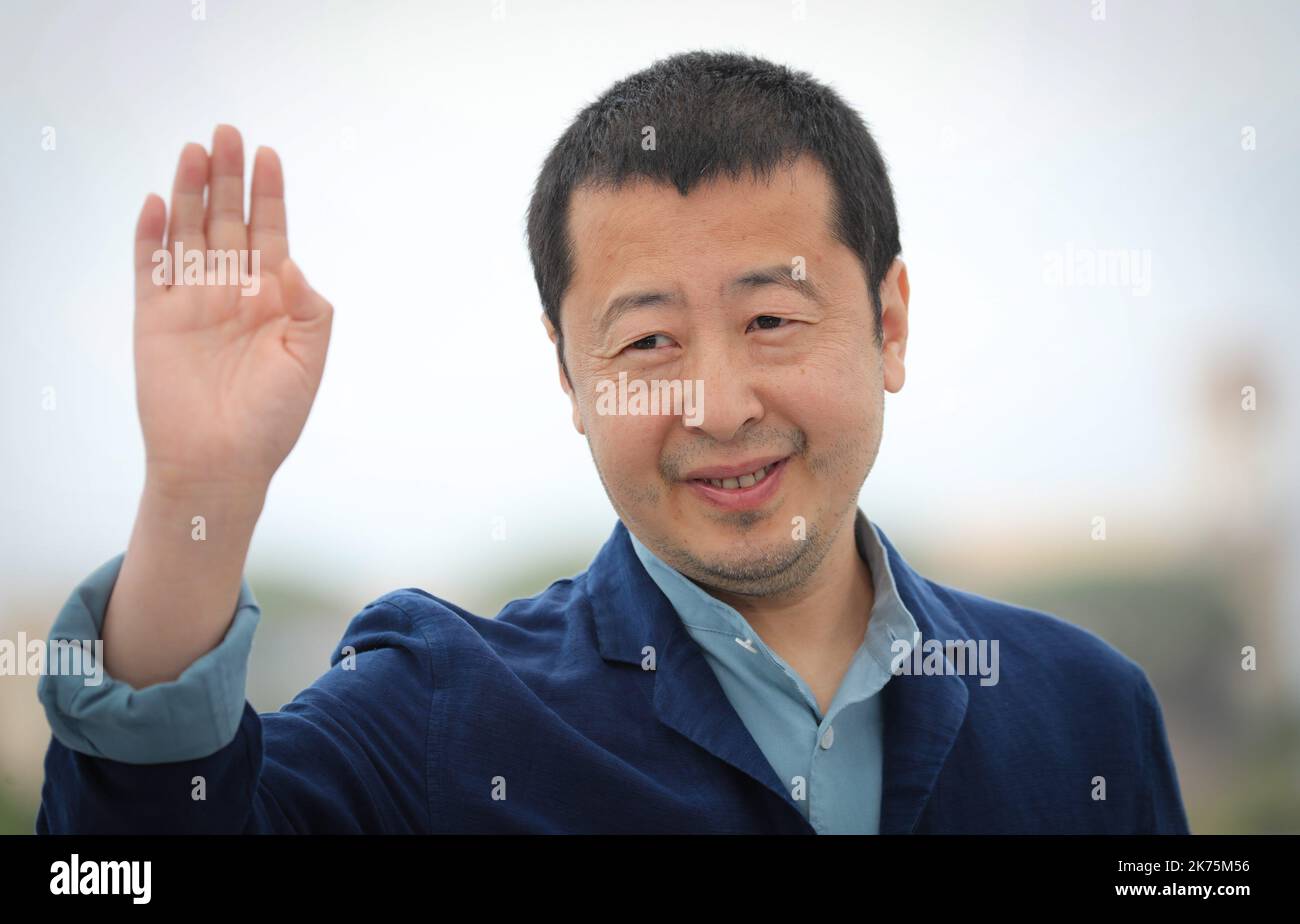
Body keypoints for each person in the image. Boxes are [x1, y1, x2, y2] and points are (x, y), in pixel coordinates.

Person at [36, 51, 1190, 834]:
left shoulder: (1083, 707)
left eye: (771, 321)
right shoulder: (441, 712)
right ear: (568, 374)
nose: (721, 403)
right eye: (646, 343)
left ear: (888, 322)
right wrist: (201, 491)